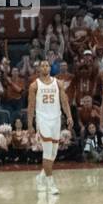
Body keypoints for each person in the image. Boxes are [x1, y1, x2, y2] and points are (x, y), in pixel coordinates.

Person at [28, 60, 73, 195]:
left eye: (47, 65)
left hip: (56, 119)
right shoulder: (34, 85)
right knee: (47, 153)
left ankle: (41, 177)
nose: (45, 67)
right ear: (39, 69)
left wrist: (69, 116)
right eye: (42, 65)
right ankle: (50, 184)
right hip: (42, 120)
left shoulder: (58, 83)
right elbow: (31, 106)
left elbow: (64, 101)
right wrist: (30, 124)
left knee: (53, 153)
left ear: (50, 68)